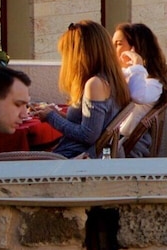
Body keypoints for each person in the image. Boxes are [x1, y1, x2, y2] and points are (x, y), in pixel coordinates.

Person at [33, 20, 130, 158]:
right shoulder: (112, 79)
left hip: (76, 158)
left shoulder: (95, 84)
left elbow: (88, 135)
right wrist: (60, 115)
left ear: (79, 55)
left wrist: (51, 117)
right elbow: (95, 122)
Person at [111, 22, 167, 157]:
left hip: (126, 147)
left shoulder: (154, 83)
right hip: (114, 140)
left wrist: (137, 64)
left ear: (135, 48)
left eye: (118, 44)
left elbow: (137, 95)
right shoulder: (127, 74)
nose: (113, 49)